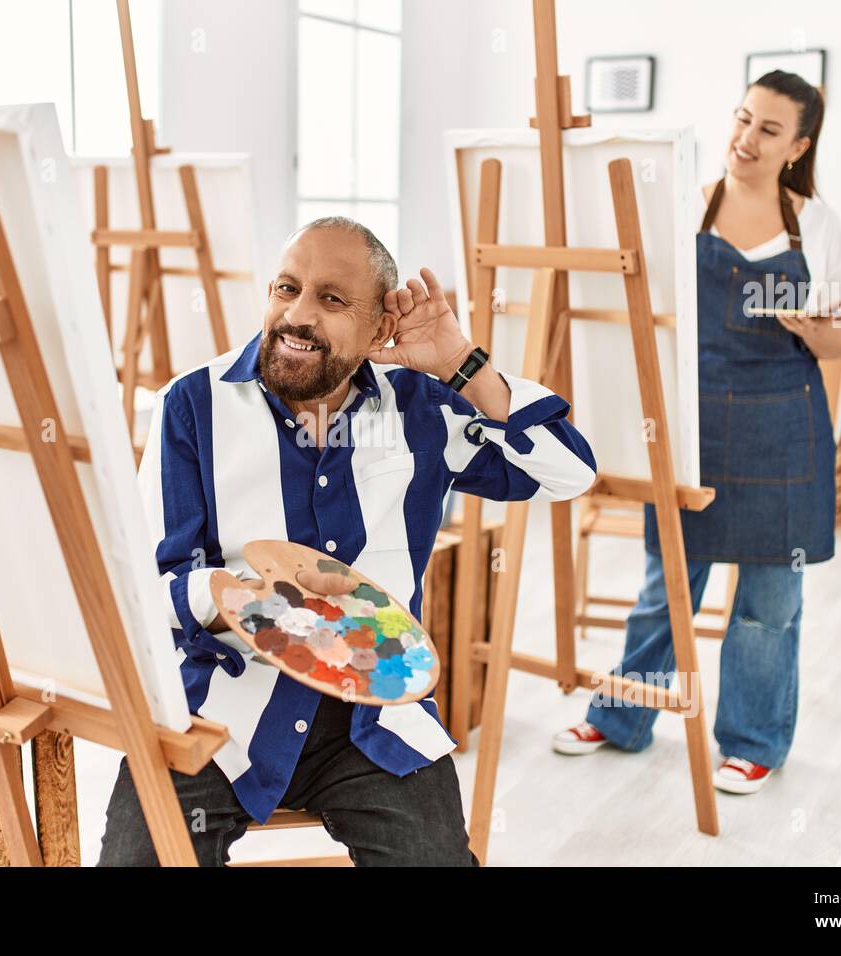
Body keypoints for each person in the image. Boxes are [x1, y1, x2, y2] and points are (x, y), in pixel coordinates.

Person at [100, 216, 597, 865]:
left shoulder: (423, 407)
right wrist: (220, 593)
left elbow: (568, 472)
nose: (298, 315)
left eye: (332, 300)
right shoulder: (192, 406)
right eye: (286, 288)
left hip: (374, 718)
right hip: (220, 708)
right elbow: (149, 590)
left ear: (380, 327)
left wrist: (461, 364)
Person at [554, 71, 841, 795]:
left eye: (768, 130)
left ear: (799, 146)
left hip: (784, 431)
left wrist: (811, 327)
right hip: (699, 431)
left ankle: (751, 742)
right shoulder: (689, 207)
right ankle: (623, 712)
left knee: (768, 607)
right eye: (742, 119)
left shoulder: (817, 223)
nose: (745, 141)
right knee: (668, 586)